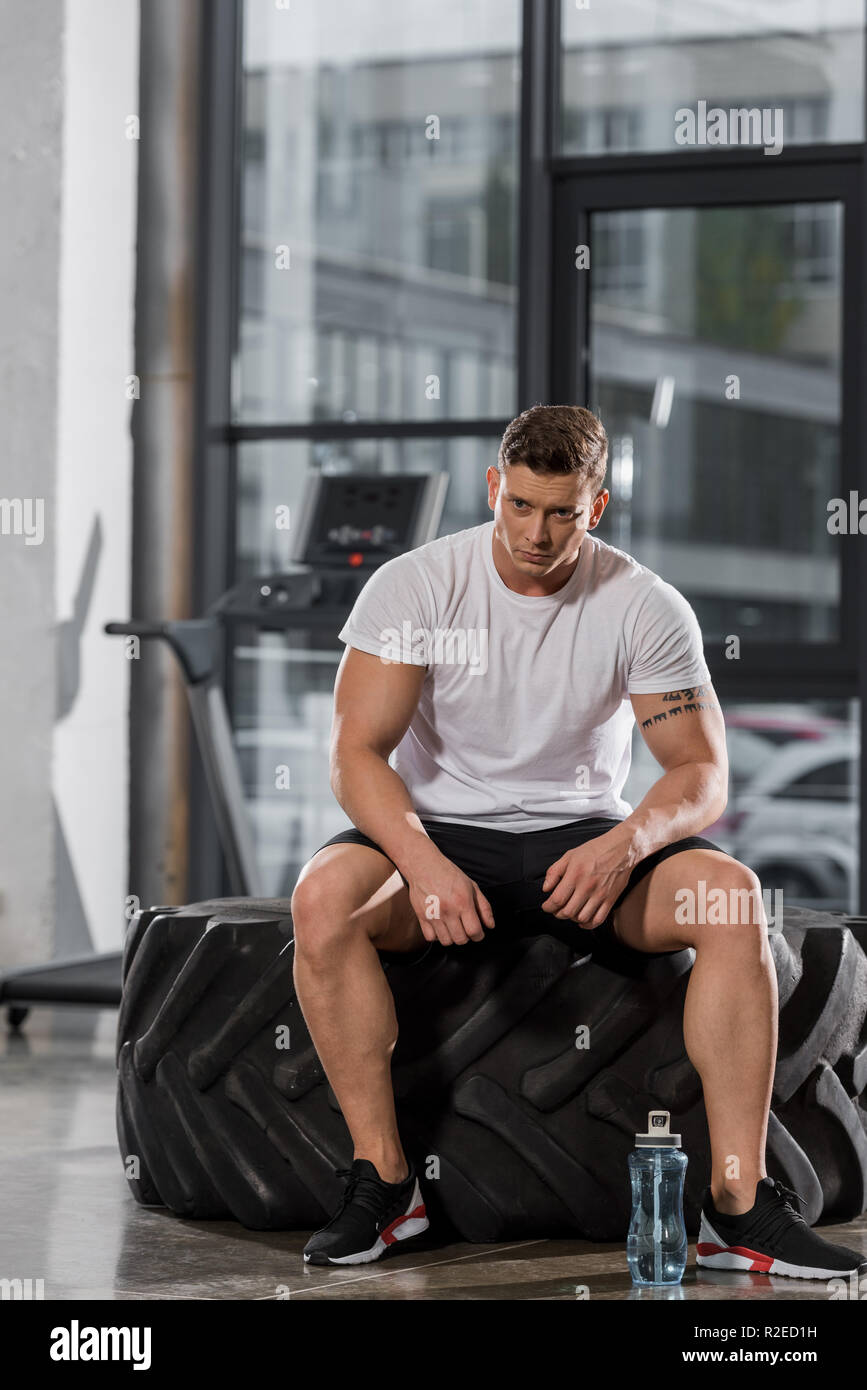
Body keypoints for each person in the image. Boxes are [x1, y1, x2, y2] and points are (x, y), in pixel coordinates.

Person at [290, 403, 866, 1279]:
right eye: (520, 505)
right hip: (441, 834)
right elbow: (354, 754)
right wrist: (422, 862)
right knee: (323, 900)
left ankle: (737, 1207)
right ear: (494, 488)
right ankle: (386, 1185)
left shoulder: (640, 602)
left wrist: (624, 844)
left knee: (732, 902)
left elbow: (699, 773)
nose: (536, 531)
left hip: (584, 842)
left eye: (562, 512)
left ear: (595, 507)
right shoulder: (415, 585)